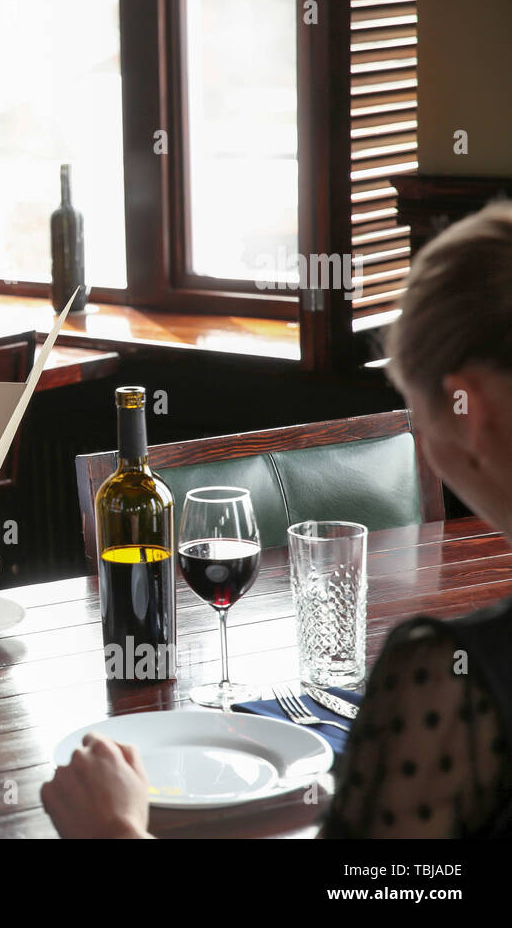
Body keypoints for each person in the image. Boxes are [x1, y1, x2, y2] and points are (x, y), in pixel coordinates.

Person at [42, 201, 512, 838]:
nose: (421, 442)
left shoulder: (445, 683)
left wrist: (115, 833)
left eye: (415, 406)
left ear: (469, 411)